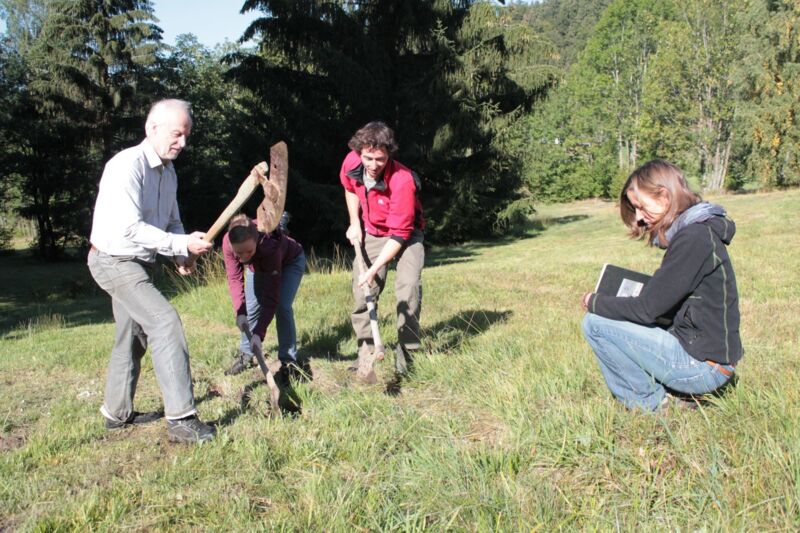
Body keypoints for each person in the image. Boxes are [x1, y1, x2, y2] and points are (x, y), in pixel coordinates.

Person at [87, 99, 216, 443]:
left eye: (186, 135)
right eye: (176, 134)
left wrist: (181, 254)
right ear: (152, 128)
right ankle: (181, 419)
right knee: (164, 322)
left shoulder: (168, 171)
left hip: (139, 262)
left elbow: (172, 221)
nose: (182, 143)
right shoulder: (126, 166)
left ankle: (116, 413)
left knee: (132, 336)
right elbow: (130, 228)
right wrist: (181, 243)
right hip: (113, 261)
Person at [581, 159, 743, 412]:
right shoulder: (696, 233)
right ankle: (672, 394)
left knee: (595, 324)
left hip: (705, 368)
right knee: (617, 318)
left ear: (664, 196)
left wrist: (594, 301)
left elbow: (648, 310)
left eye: (640, 206)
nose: (638, 217)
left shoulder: (694, 238)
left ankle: (650, 404)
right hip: (706, 358)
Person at [339, 121, 425, 376]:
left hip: (406, 235)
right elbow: (350, 188)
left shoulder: (402, 180)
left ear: (389, 155)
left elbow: (399, 235)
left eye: (380, 159)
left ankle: (407, 352)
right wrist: (355, 222)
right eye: (368, 158)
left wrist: (374, 268)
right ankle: (366, 352)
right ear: (359, 153)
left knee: (408, 287)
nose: (373, 165)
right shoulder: (352, 163)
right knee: (363, 292)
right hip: (373, 231)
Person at [221, 214, 306, 378]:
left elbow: (271, 298)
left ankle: (288, 362)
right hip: (258, 266)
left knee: (282, 306)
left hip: (290, 262)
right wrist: (240, 313)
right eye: (239, 253)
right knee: (250, 308)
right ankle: (247, 355)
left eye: (248, 251)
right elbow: (234, 278)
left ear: (256, 240)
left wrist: (259, 334)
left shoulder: (269, 246)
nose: (244, 257)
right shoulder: (228, 242)